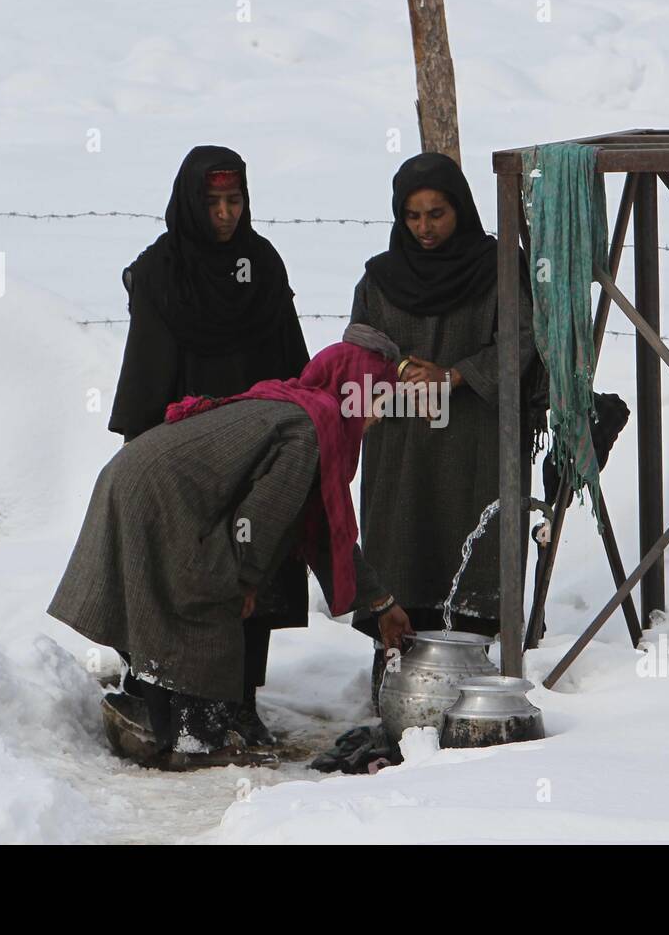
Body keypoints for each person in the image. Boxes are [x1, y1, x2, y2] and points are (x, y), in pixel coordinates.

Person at [49, 327, 416, 771]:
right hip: (158, 496)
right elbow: (263, 515)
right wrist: (243, 579)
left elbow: (322, 532)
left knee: (173, 600)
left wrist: (380, 601)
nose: (377, 416)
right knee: (208, 599)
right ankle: (196, 744)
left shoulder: (297, 406)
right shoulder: (308, 431)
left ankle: (161, 722)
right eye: (376, 401)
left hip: (135, 481)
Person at [106, 145, 312, 746]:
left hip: (256, 439)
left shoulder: (260, 264)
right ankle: (175, 695)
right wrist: (147, 445)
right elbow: (147, 368)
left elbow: (290, 359)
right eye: (213, 203)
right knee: (184, 565)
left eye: (235, 201)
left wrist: (290, 426)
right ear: (190, 205)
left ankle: (241, 700)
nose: (225, 215)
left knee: (253, 557)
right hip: (184, 448)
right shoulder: (161, 271)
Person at [349, 152, 542, 709]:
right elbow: (359, 345)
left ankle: (473, 692)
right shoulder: (380, 278)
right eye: (412, 216)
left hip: (476, 439)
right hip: (401, 442)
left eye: (437, 213)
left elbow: (523, 339)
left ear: (460, 208)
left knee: (472, 550)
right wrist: (402, 370)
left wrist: (455, 375)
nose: (425, 228)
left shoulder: (498, 268)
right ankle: (395, 691)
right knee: (401, 551)